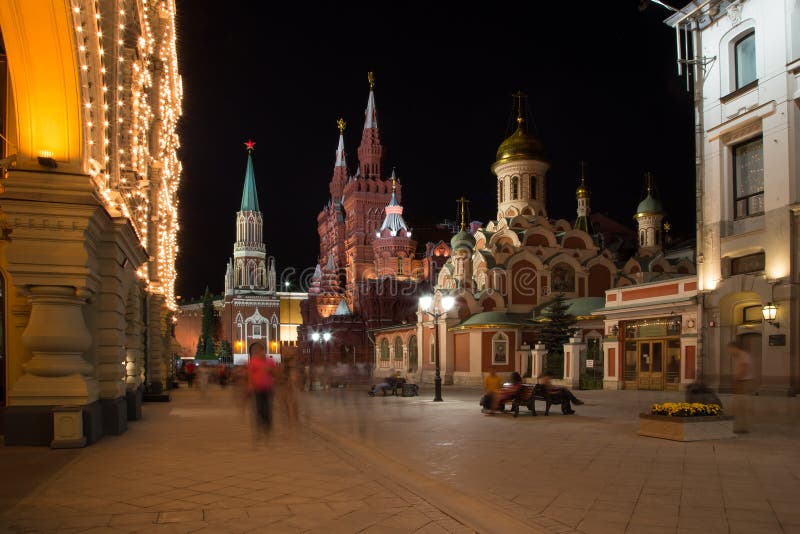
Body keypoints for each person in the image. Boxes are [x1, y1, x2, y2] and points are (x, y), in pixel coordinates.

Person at [247, 342, 278, 435]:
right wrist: (250, 386)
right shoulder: (253, 361)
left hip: (269, 388)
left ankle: (267, 426)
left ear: (264, 351)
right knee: (259, 407)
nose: (261, 353)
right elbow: (250, 375)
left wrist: (271, 370)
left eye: (262, 351)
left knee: (268, 407)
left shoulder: (270, 361)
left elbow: (276, 373)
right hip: (257, 388)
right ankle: (260, 424)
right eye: (259, 351)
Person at [728, 341, 753, 433]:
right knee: (739, 405)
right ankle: (741, 426)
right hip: (741, 382)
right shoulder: (739, 356)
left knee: (742, 404)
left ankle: (743, 427)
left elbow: (743, 369)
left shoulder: (743, 355)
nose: (729, 351)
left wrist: (737, 380)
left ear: (735, 347)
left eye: (730, 349)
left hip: (743, 382)